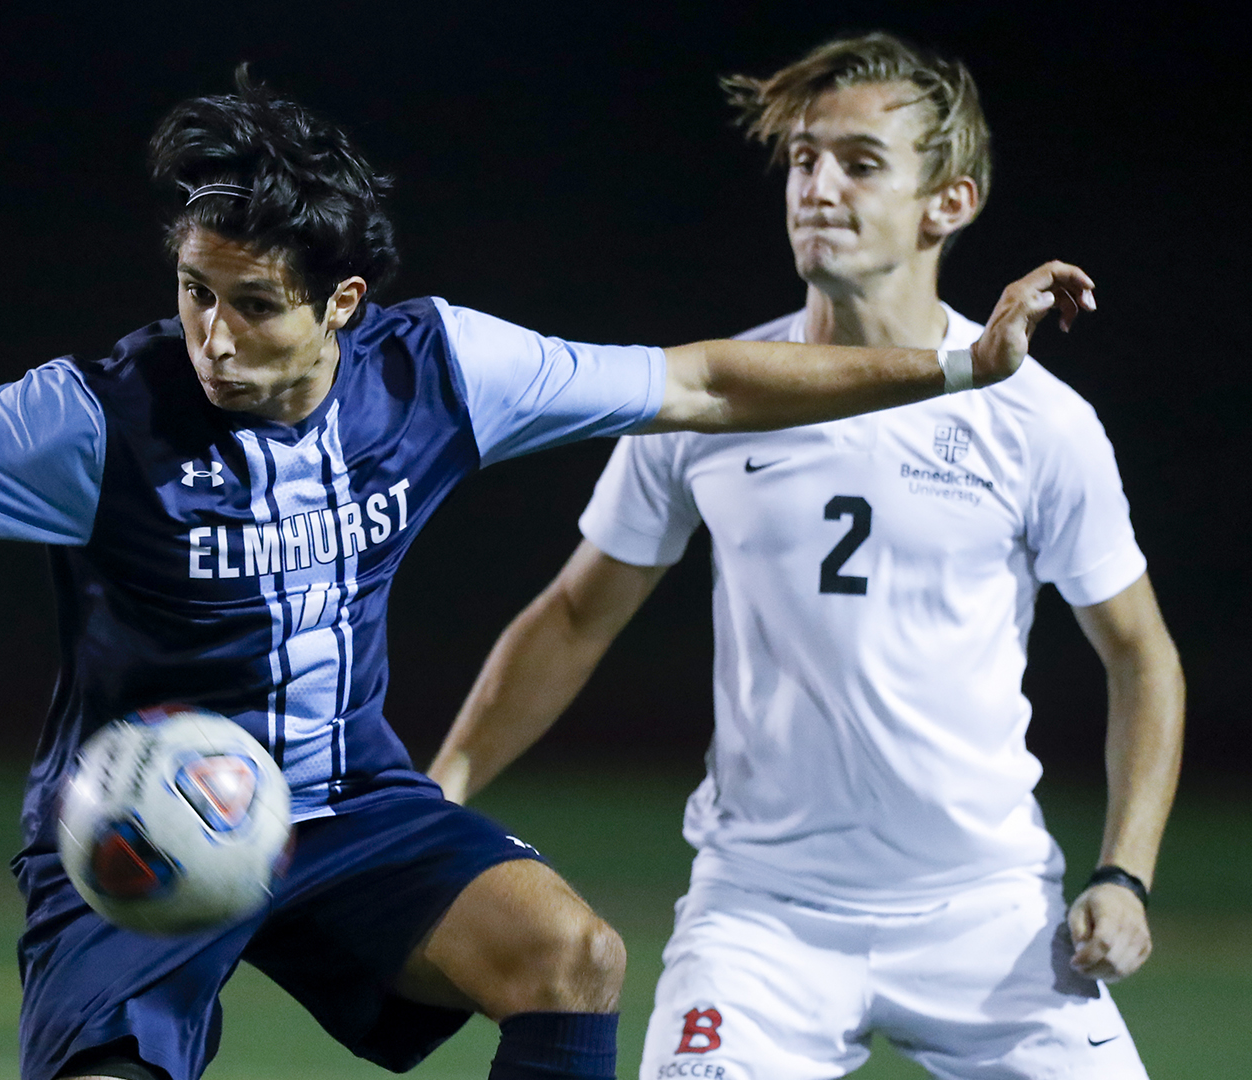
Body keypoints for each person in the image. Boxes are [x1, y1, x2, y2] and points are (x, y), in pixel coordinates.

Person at [0, 66, 1092, 1080]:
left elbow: (707, 384)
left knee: (573, 957)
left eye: (255, 305)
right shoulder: (89, 419)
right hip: (136, 831)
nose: (213, 332)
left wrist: (959, 370)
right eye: (196, 293)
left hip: (345, 803)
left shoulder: (443, 371)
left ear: (344, 305)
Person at [430, 32, 1182, 1080]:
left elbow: (1140, 655)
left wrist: (1125, 876)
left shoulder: (1038, 420)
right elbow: (573, 616)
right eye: (802, 159)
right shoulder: (710, 398)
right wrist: (442, 792)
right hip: (761, 920)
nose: (818, 187)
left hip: (991, 917)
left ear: (949, 203)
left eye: (860, 163)